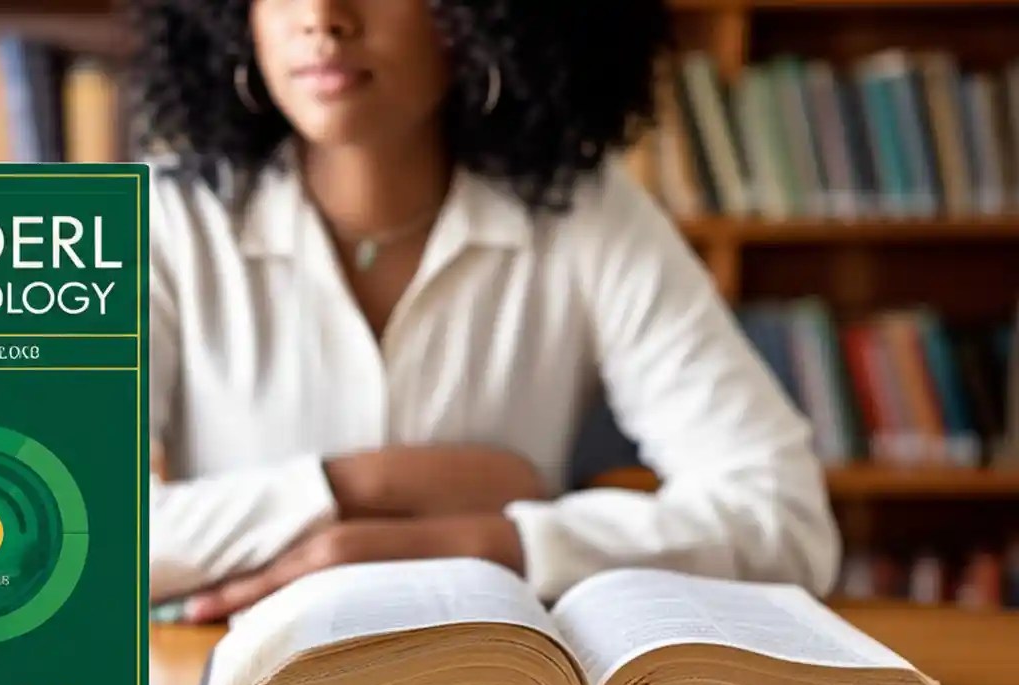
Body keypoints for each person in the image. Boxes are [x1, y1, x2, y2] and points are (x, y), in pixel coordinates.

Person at [138, 0, 841, 624]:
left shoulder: (587, 217)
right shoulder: (153, 221)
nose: (322, 17)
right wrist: (363, 484)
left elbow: (786, 522)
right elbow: (48, 540)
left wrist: (490, 542)